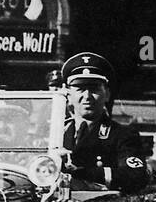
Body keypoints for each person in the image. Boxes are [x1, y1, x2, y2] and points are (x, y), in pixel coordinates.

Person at [56, 52, 149, 193]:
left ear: (107, 95)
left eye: (94, 89)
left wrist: (82, 173)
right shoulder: (55, 134)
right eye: (80, 89)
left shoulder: (123, 135)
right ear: (69, 95)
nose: (87, 97)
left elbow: (136, 176)